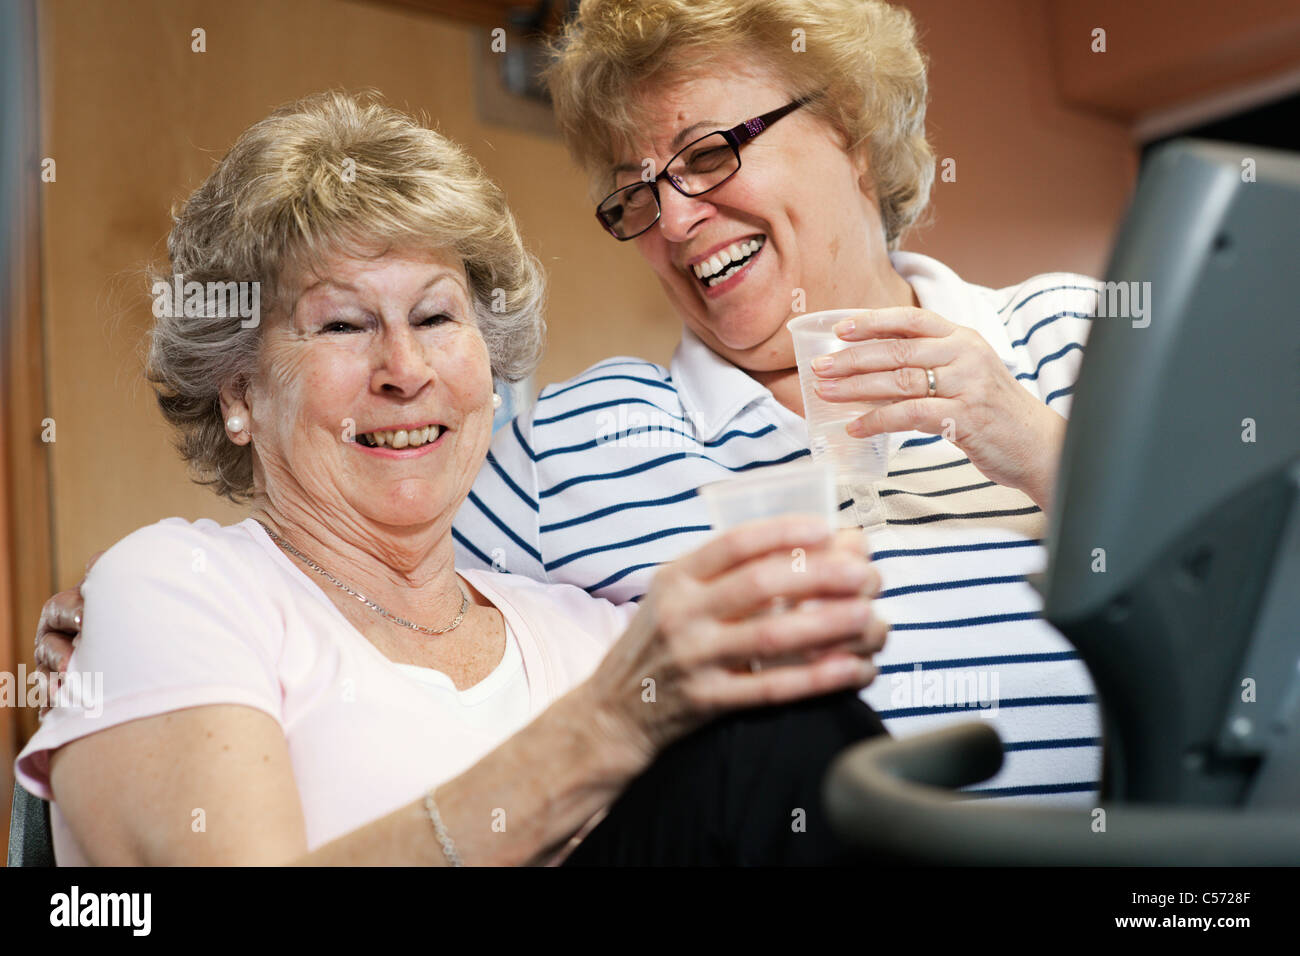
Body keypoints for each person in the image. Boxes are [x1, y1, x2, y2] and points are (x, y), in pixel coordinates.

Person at [36, 0, 1101, 802]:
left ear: (858, 137)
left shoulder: (1076, 337)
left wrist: (1053, 453)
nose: (676, 221)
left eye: (709, 153)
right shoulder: (579, 444)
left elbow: (1267, 597)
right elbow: (351, 536)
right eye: (638, 193)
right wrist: (131, 633)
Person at [16, 90, 890, 866]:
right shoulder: (179, 589)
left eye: (436, 315)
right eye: (342, 325)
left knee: (800, 727)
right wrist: (605, 732)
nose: (404, 368)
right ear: (238, 390)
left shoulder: (595, 637)